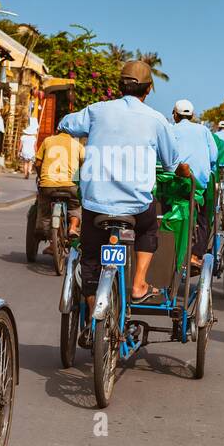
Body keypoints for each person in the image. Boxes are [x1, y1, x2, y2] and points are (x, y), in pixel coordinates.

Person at [57, 60, 191, 312]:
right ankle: (139, 284)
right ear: (148, 89)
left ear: (120, 86)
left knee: (90, 252)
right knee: (150, 228)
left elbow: (66, 124)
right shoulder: (156, 120)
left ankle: (90, 301)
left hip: (96, 202)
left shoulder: (97, 111)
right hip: (136, 207)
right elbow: (172, 163)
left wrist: (65, 126)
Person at [169, 99, 219, 267]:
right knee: (204, 218)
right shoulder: (204, 130)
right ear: (192, 115)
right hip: (198, 185)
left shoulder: (169, 129)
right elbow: (213, 157)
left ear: (175, 114)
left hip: (172, 184)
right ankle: (196, 254)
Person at [33, 121, 85, 237]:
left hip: (48, 185)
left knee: (44, 206)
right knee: (75, 207)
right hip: (70, 185)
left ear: (58, 130)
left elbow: (37, 163)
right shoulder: (78, 145)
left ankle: (43, 229)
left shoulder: (48, 141)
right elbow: (83, 165)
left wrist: (41, 177)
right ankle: (72, 227)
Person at [19, 109, 40, 177]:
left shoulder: (23, 137)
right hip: (31, 152)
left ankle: (25, 173)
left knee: (25, 163)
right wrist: (36, 152)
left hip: (24, 151)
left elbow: (20, 145)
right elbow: (35, 146)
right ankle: (29, 170)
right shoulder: (33, 138)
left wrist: (19, 151)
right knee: (30, 163)